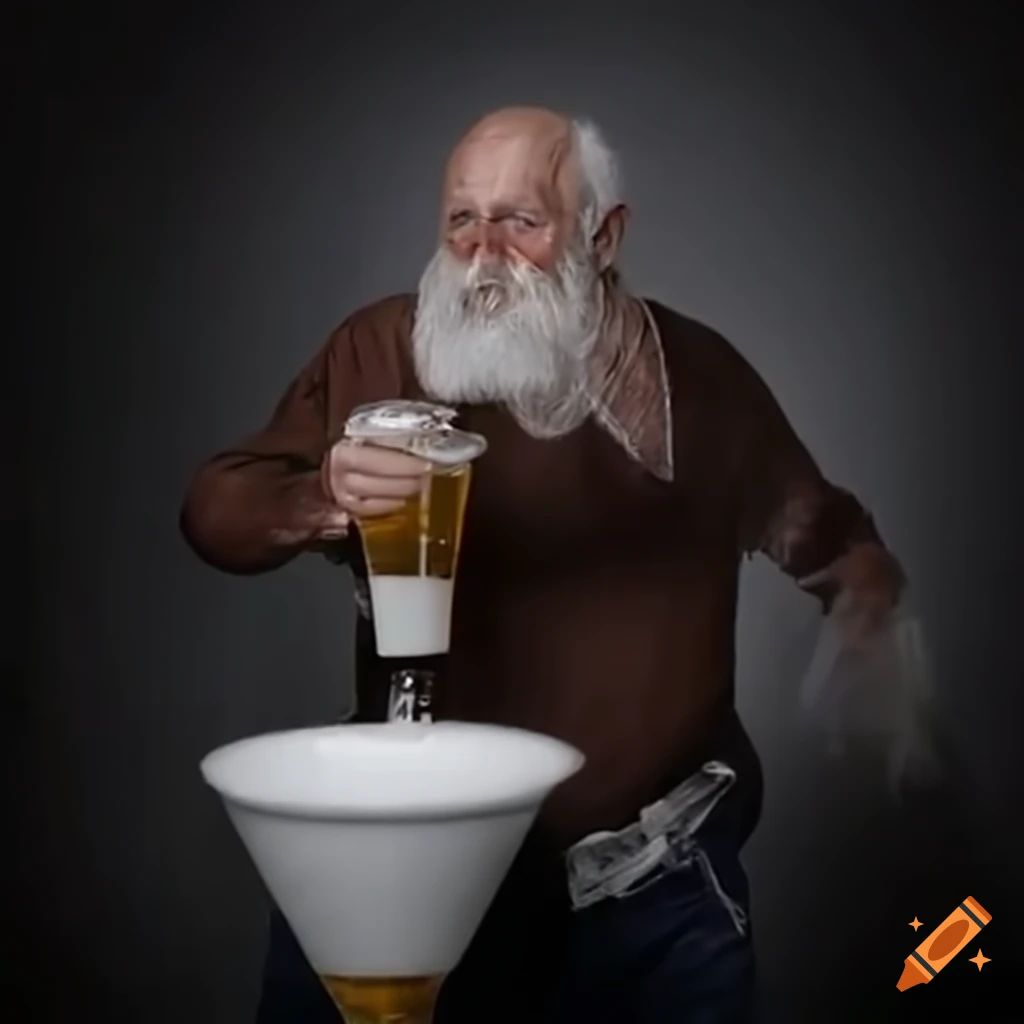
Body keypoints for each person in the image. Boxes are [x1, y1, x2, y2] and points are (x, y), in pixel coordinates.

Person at [181, 106, 905, 1023]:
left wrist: (870, 619)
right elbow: (216, 510)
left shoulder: (694, 379)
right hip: (409, 871)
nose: (482, 253)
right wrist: (324, 492)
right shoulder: (381, 352)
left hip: (646, 892)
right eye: (460, 221)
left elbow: (833, 541)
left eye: (522, 221)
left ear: (604, 236)